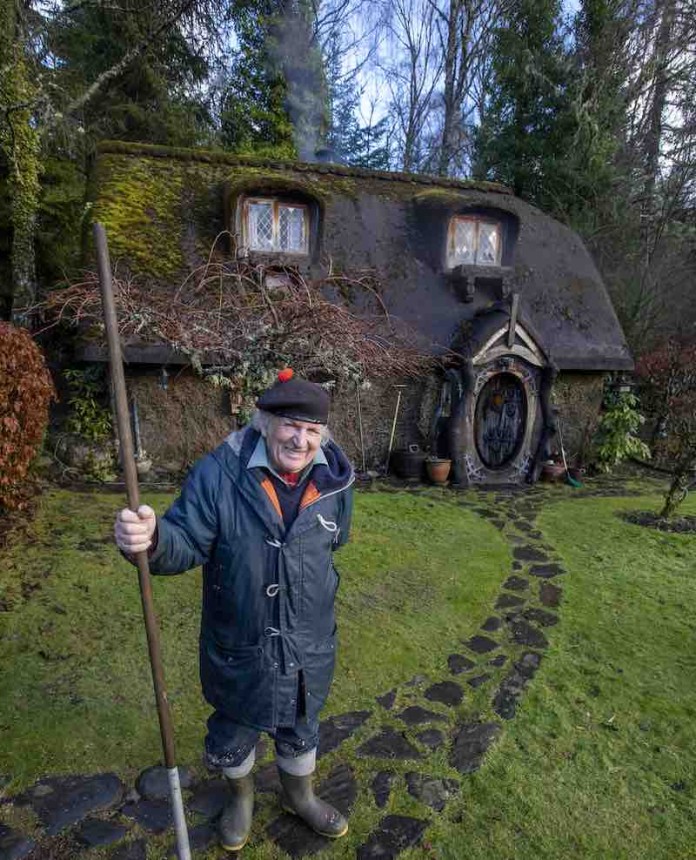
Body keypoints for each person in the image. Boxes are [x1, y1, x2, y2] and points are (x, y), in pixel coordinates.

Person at [114, 370, 354, 852]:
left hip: (310, 643)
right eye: (290, 425)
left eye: (311, 431)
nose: (300, 439)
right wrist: (154, 539)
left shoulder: (336, 481)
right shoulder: (218, 474)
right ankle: (240, 797)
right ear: (264, 422)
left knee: (301, 725)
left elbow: (337, 538)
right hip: (240, 641)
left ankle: (299, 796)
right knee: (234, 727)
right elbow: (183, 541)